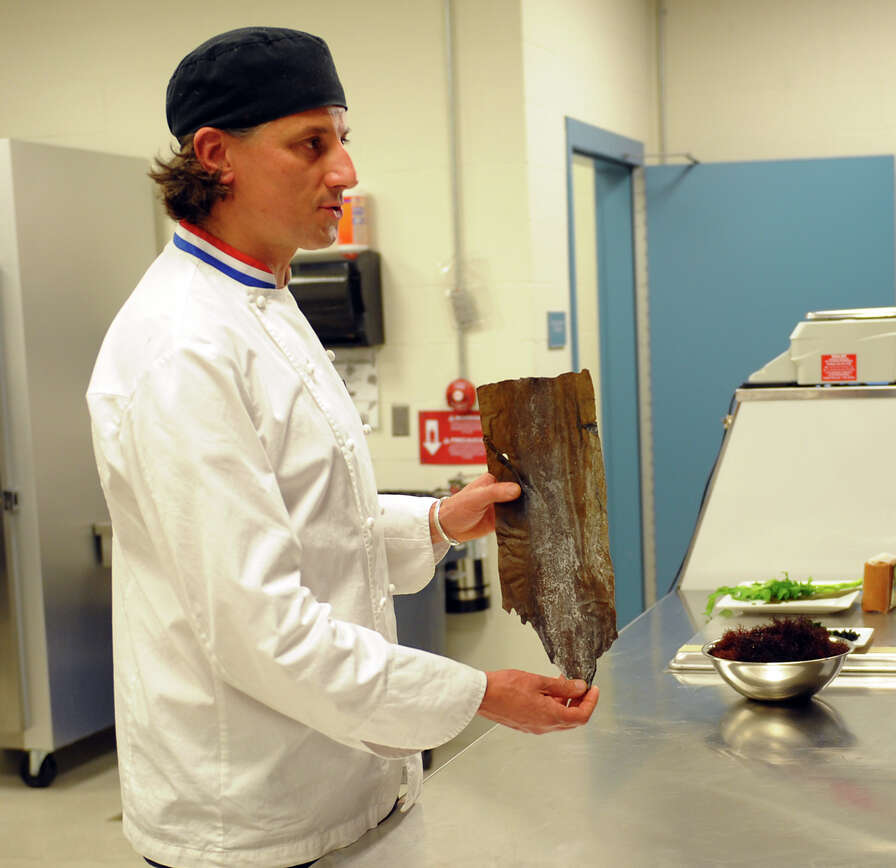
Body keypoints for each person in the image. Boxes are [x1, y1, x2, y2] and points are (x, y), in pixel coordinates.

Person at [86, 26, 598, 868]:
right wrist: (476, 693)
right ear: (216, 155)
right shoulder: (182, 346)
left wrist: (435, 522)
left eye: (342, 140)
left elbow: (307, 519)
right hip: (252, 816)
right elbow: (261, 629)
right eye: (310, 144)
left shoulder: (267, 299)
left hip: (349, 782)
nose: (346, 172)